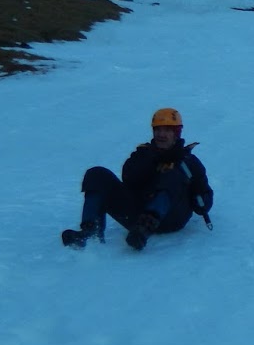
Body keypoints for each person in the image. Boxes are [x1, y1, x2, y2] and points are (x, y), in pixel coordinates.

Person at [61, 107, 214, 251]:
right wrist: (153, 160)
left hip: (171, 218)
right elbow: (129, 179)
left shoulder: (188, 161)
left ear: (176, 133)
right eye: (158, 130)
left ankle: (145, 228)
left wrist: (200, 200)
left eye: (167, 130)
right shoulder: (143, 153)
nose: (161, 134)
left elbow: (204, 196)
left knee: (172, 173)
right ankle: (90, 232)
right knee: (96, 174)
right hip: (137, 215)